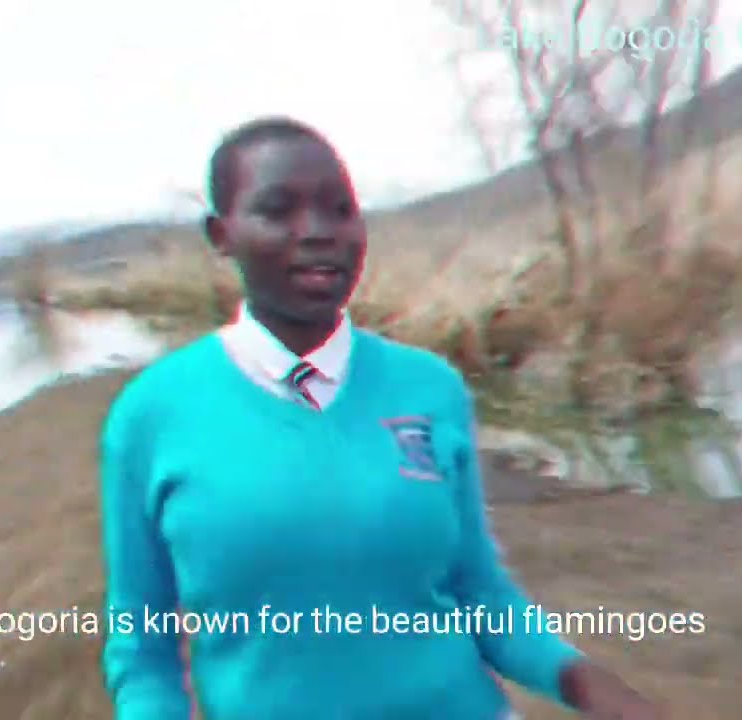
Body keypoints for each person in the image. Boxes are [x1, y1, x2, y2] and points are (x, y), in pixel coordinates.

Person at [99, 116, 663, 720]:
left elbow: (479, 590)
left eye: (340, 209)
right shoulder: (151, 416)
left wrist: (579, 679)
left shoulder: (431, 389)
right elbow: (143, 650)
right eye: (278, 210)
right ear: (222, 234)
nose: (317, 232)